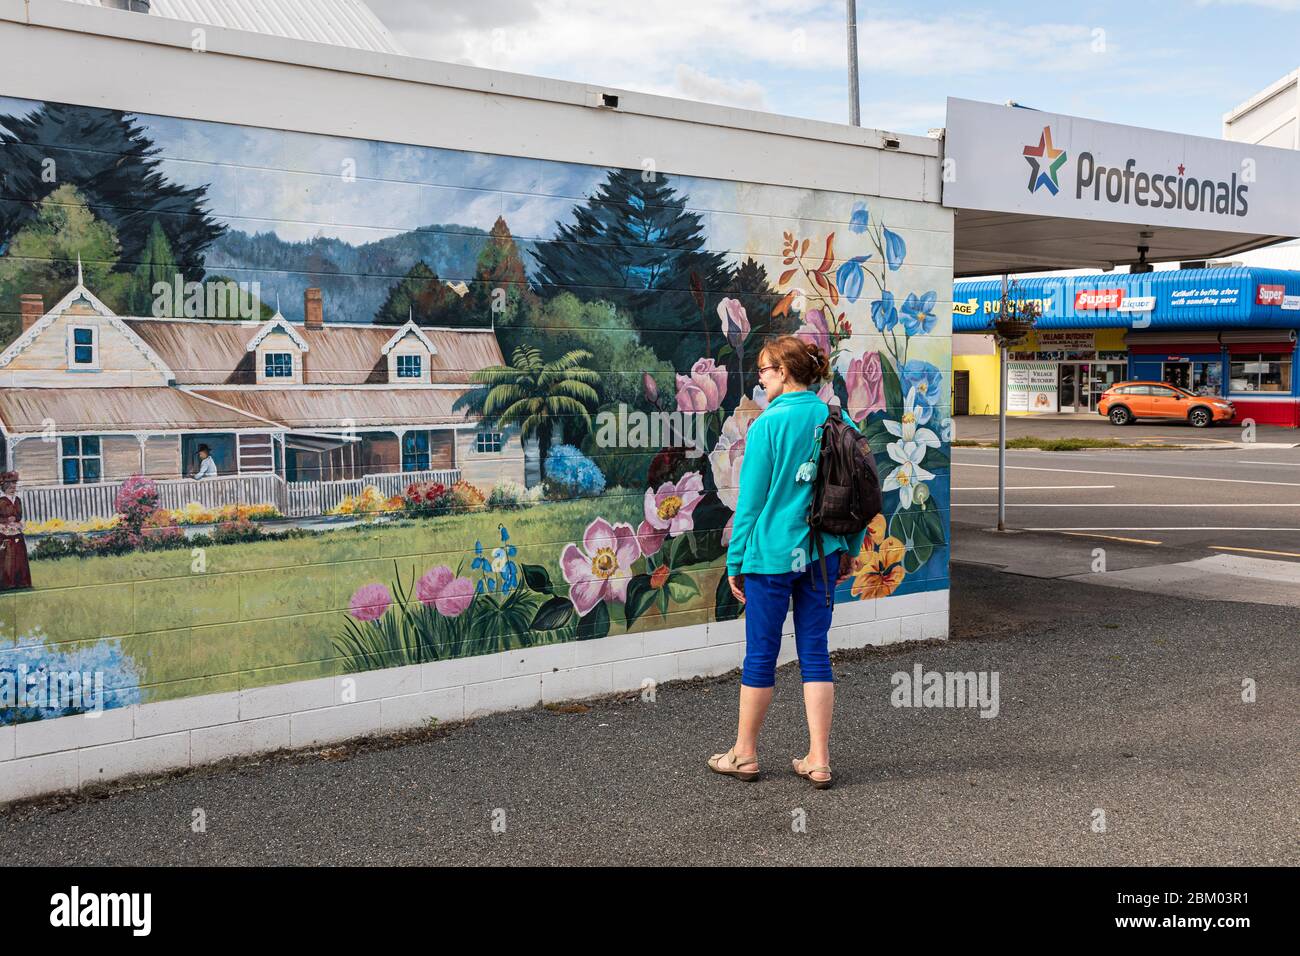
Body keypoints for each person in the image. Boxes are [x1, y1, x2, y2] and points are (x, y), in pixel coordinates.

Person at [707, 336, 867, 789]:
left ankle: (745, 754)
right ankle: (818, 759)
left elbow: (750, 505)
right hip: (821, 556)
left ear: (783, 371)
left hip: (769, 558)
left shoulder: (766, 427)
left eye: (764, 369)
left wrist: (735, 561)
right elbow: (860, 490)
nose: (759, 377)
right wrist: (849, 549)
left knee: (761, 653)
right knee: (814, 651)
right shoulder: (837, 418)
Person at [0, 471, 33, 591]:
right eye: (10, 488)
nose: (13, 489)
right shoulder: (2, 501)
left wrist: (16, 518)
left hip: (16, 530)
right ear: (5, 488)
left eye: (14, 487)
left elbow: (19, 515)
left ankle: (22, 582)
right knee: (8, 556)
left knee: (19, 555)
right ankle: (8, 583)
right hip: (5, 532)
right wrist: (6, 520)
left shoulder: (17, 500)